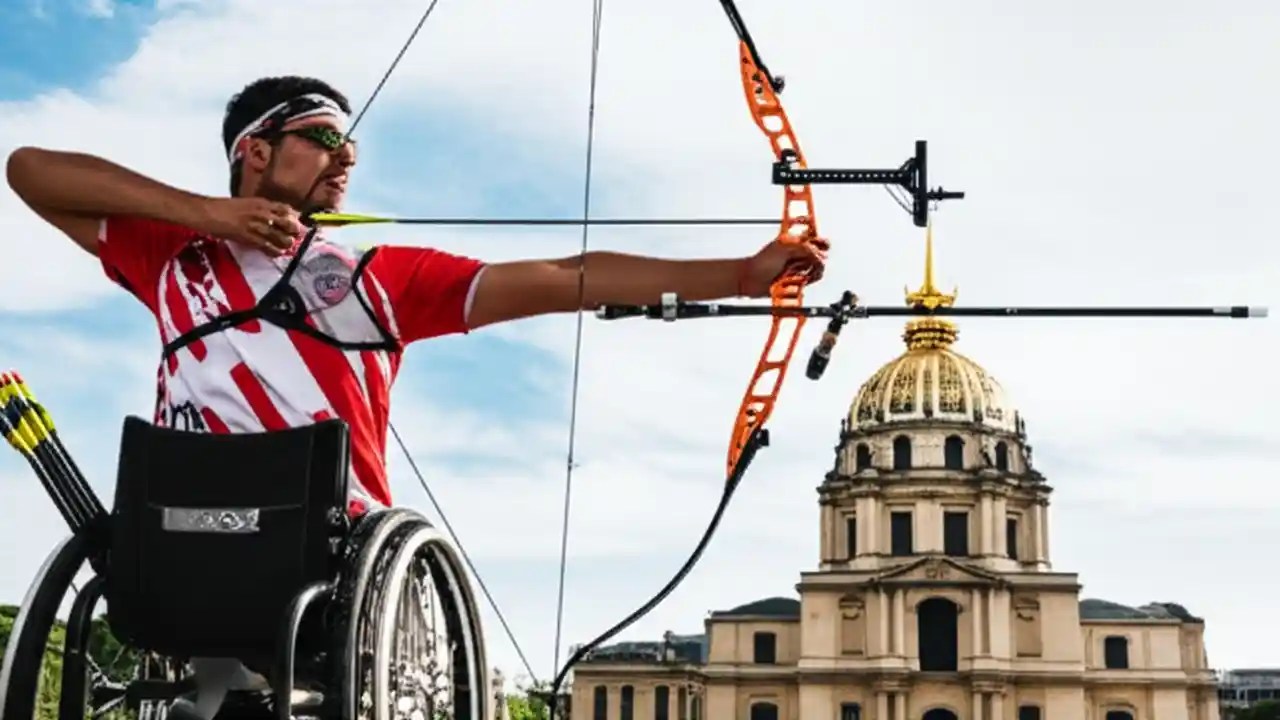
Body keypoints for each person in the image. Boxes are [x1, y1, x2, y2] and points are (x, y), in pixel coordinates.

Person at [4, 75, 826, 718]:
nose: (346, 156)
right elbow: (28, 169)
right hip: (259, 564)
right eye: (323, 137)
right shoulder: (175, 257)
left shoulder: (370, 280)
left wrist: (742, 276)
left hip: (265, 568)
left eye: (351, 146)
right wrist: (209, 215)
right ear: (255, 149)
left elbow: (566, 279)